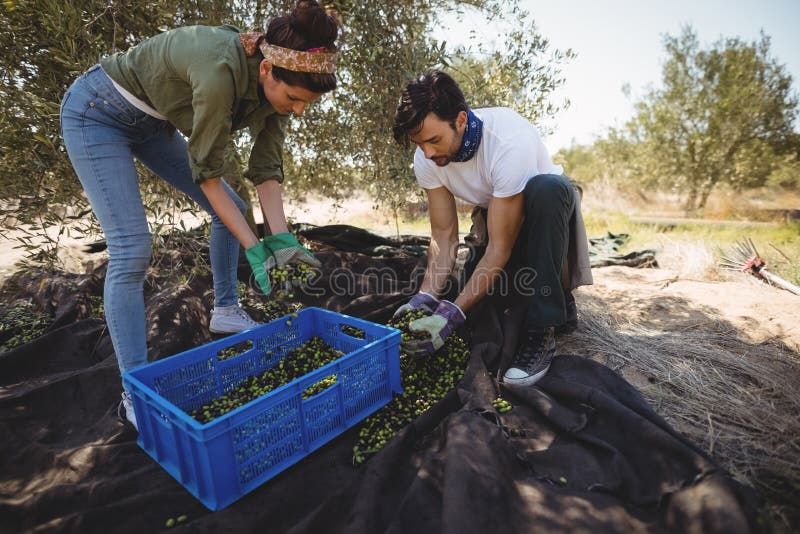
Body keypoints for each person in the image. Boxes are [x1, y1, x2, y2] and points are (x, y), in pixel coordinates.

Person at [60, 0, 339, 429]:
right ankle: (135, 391)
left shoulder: (277, 92)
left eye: (306, 103)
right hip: (98, 112)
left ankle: (225, 309)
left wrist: (281, 239)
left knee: (237, 209)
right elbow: (207, 175)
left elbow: (265, 171)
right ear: (267, 71)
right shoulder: (219, 74)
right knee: (132, 249)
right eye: (294, 99)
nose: (299, 109)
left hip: (152, 124)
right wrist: (254, 248)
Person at [392, 70, 593, 387]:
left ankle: (545, 325)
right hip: (496, 219)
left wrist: (451, 314)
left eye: (434, 140)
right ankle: (536, 297)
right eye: (420, 144)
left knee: (548, 188)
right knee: (480, 305)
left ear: (460, 120)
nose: (428, 153)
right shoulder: (426, 158)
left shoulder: (508, 142)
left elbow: (500, 248)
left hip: (548, 223)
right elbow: (443, 236)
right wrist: (425, 299)